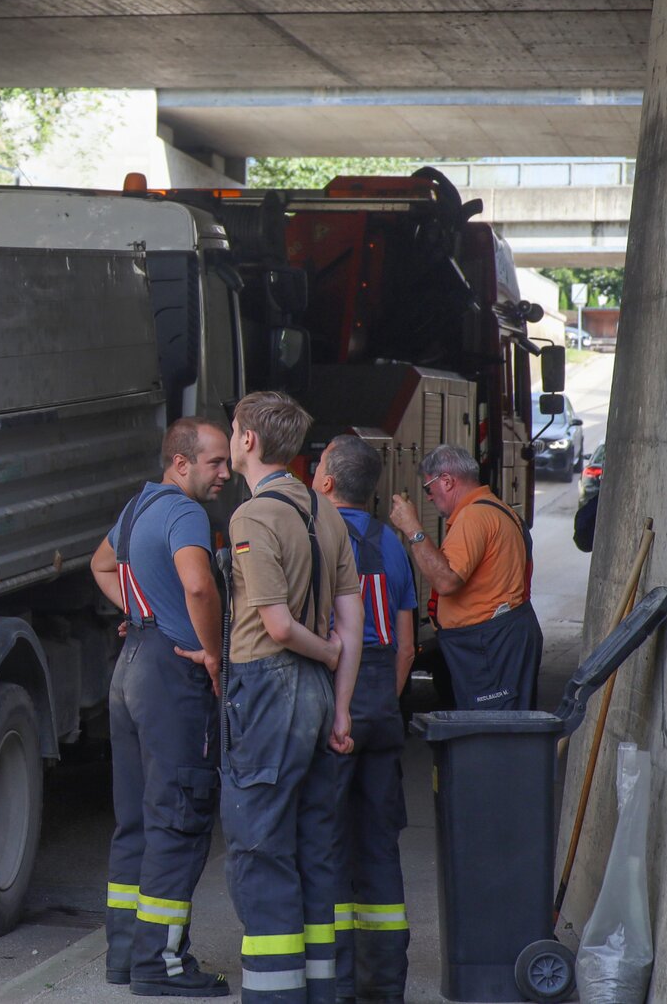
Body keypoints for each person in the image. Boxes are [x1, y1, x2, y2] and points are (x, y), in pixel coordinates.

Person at [222, 391, 363, 1004]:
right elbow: (351, 618)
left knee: (260, 846)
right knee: (314, 845)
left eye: (232, 430)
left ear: (249, 440)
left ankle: (275, 995)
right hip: (314, 697)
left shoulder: (252, 517)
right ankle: (323, 991)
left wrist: (325, 654)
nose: (230, 440)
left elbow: (277, 625)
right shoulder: (324, 509)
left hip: (268, 687)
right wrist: (341, 706)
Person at [90, 417, 234, 996]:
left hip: (130, 666)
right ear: (181, 463)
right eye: (215, 462)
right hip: (172, 674)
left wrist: (140, 607)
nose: (225, 472)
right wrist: (214, 653)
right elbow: (199, 586)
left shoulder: (136, 510)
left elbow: (100, 565)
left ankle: (125, 957)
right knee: (177, 817)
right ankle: (162, 965)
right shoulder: (185, 513)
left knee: (136, 822)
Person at [311, 436, 415, 1004]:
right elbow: (405, 646)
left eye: (317, 465)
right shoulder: (391, 545)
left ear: (327, 482)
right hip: (381, 704)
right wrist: (384, 703)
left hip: (336, 700)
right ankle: (385, 985)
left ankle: (338, 985)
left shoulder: (318, 538)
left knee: (325, 842)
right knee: (378, 842)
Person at [387, 444, 542, 710]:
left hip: (490, 646)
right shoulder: (496, 510)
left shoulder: (475, 516)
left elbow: (446, 581)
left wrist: (412, 528)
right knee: (503, 726)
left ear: (446, 481)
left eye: (428, 488)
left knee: (491, 730)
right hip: (499, 639)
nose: (429, 497)